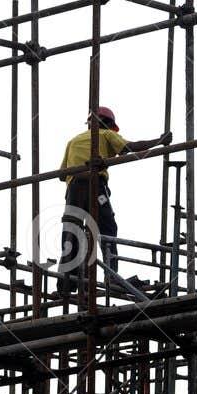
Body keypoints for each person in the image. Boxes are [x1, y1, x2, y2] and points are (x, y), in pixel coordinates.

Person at [58, 105, 169, 290]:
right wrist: (159, 141)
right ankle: (111, 276)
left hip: (74, 190)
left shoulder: (73, 140)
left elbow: (62, 175)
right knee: (107, 228)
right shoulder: (106, 134)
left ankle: (66, 283)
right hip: (95, 186)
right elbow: (130, 147)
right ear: (107, 124)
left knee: (72, 232)